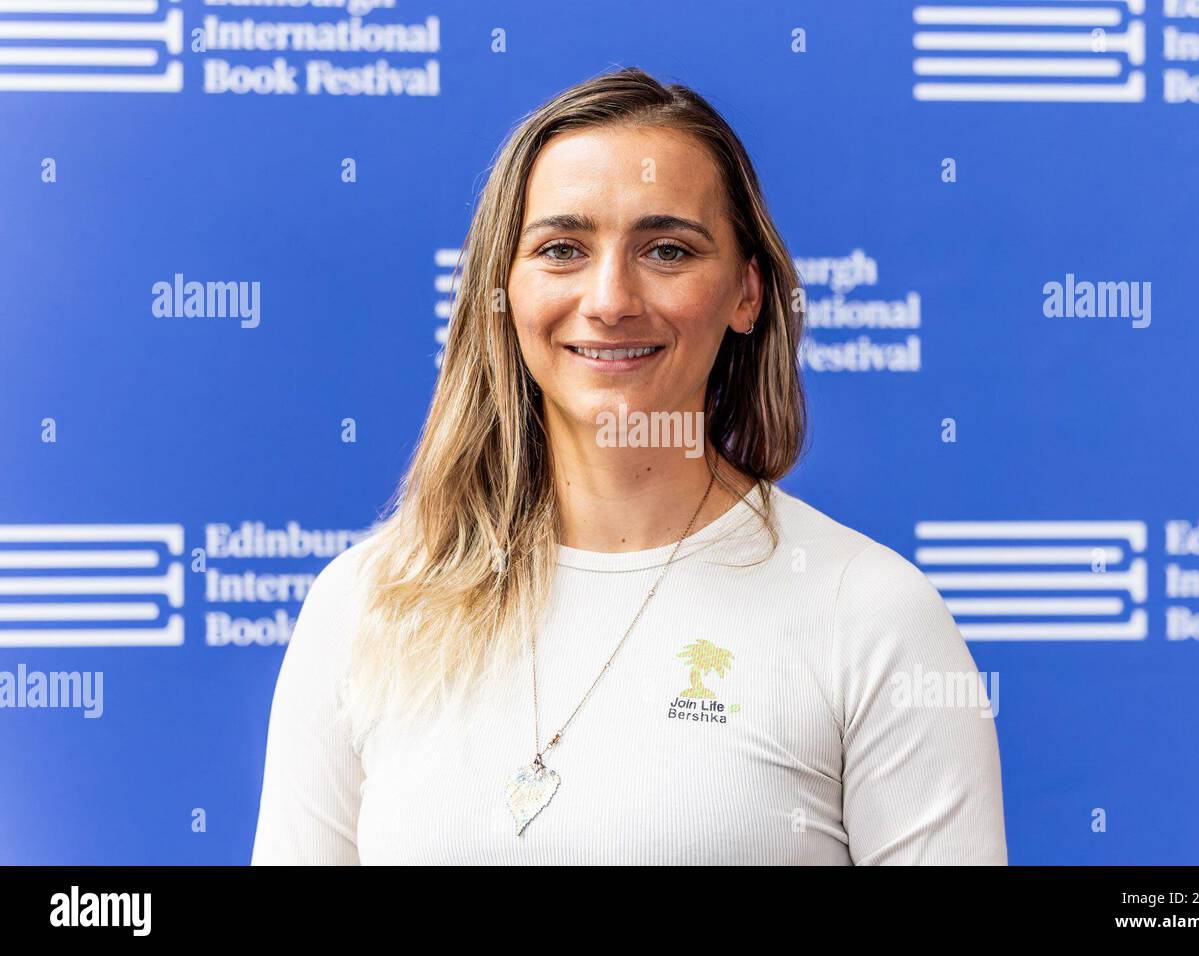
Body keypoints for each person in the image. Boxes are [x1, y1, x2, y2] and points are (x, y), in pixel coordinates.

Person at [251, 66, 1007, 865]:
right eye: (562, 249)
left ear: (748, 294)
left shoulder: (869, 613)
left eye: (668, 249)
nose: (610, 299)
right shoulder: (366, 606)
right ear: (502, 292)